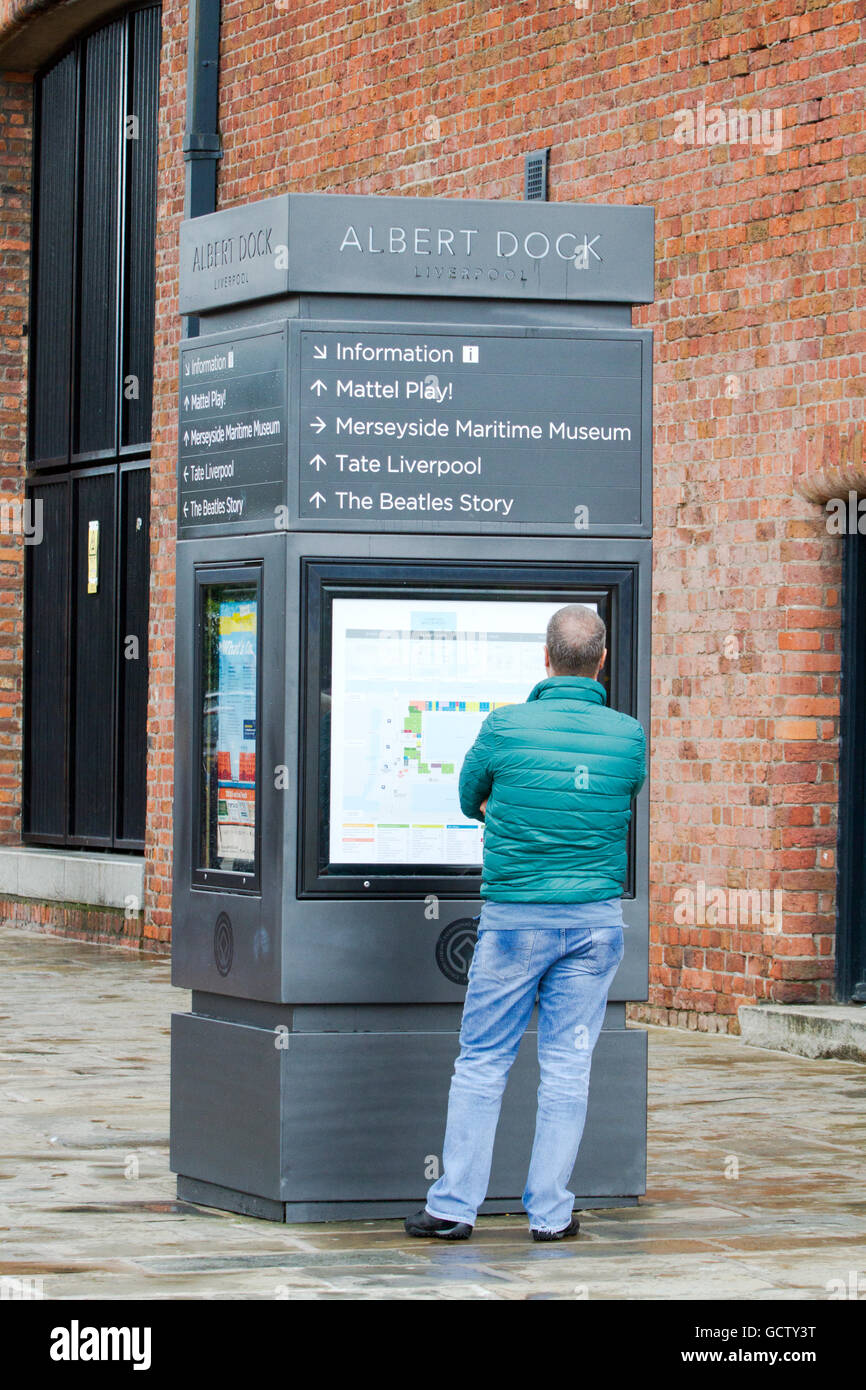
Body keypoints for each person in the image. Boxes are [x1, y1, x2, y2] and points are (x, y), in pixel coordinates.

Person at [404, 603, 646, 1242]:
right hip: (596, 924)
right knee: (568, 1065)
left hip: (515, 919)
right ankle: (551, 1214)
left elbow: (466, 797)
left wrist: (504, 816)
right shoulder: (627, 735)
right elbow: (612, 803)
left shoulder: (505, 727)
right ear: (601, 660)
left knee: (483, 1058)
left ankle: (454, 1208)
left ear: (545, 658)